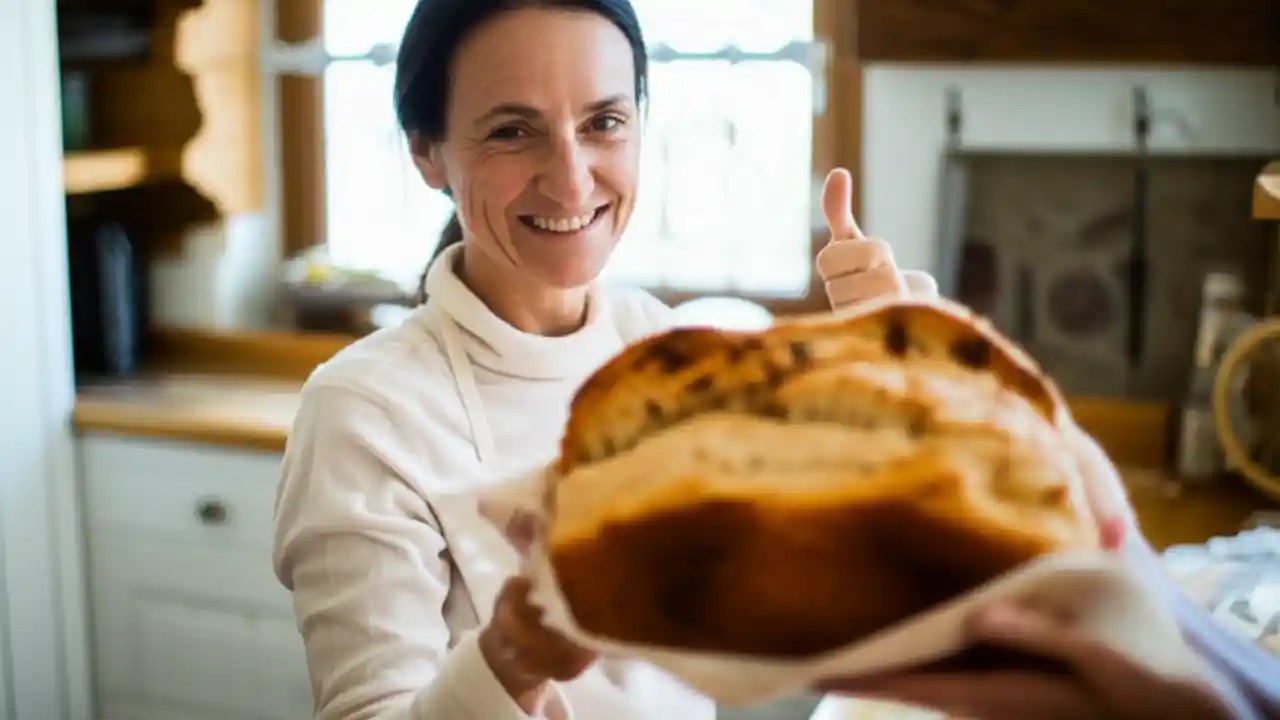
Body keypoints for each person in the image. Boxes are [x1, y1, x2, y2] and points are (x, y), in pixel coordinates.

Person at [271, 1, 940, 718]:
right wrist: (509, 662)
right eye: (511, 131)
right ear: (426, 151)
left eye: (603, 123)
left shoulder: (658, 346)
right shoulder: (365, 412)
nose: (571, 179)